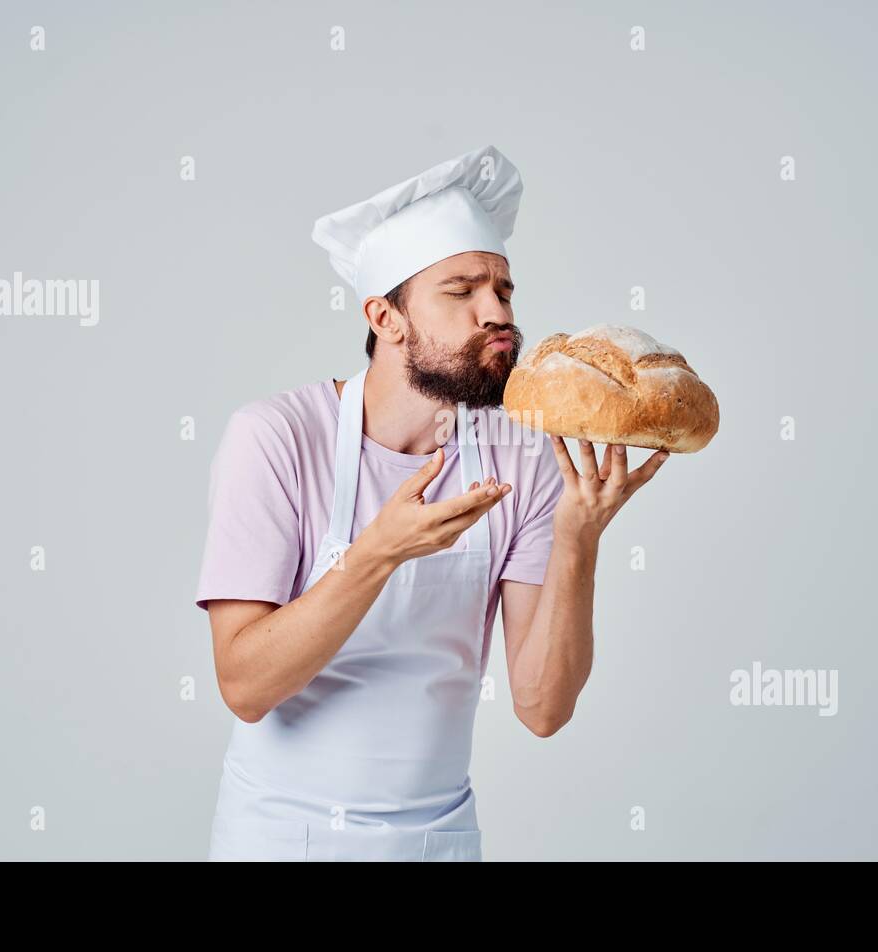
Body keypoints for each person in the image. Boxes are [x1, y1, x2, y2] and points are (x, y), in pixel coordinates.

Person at [196, 144, 669, 861]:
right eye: (462, 291)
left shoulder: (524, 453)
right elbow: (245, 685)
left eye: (504, 291)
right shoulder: (277, 438)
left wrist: (579, 536)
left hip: (437, 844)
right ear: (385, 319)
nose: (497, 314)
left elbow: (542, 707)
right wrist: (377, 553)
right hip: (282, 840)